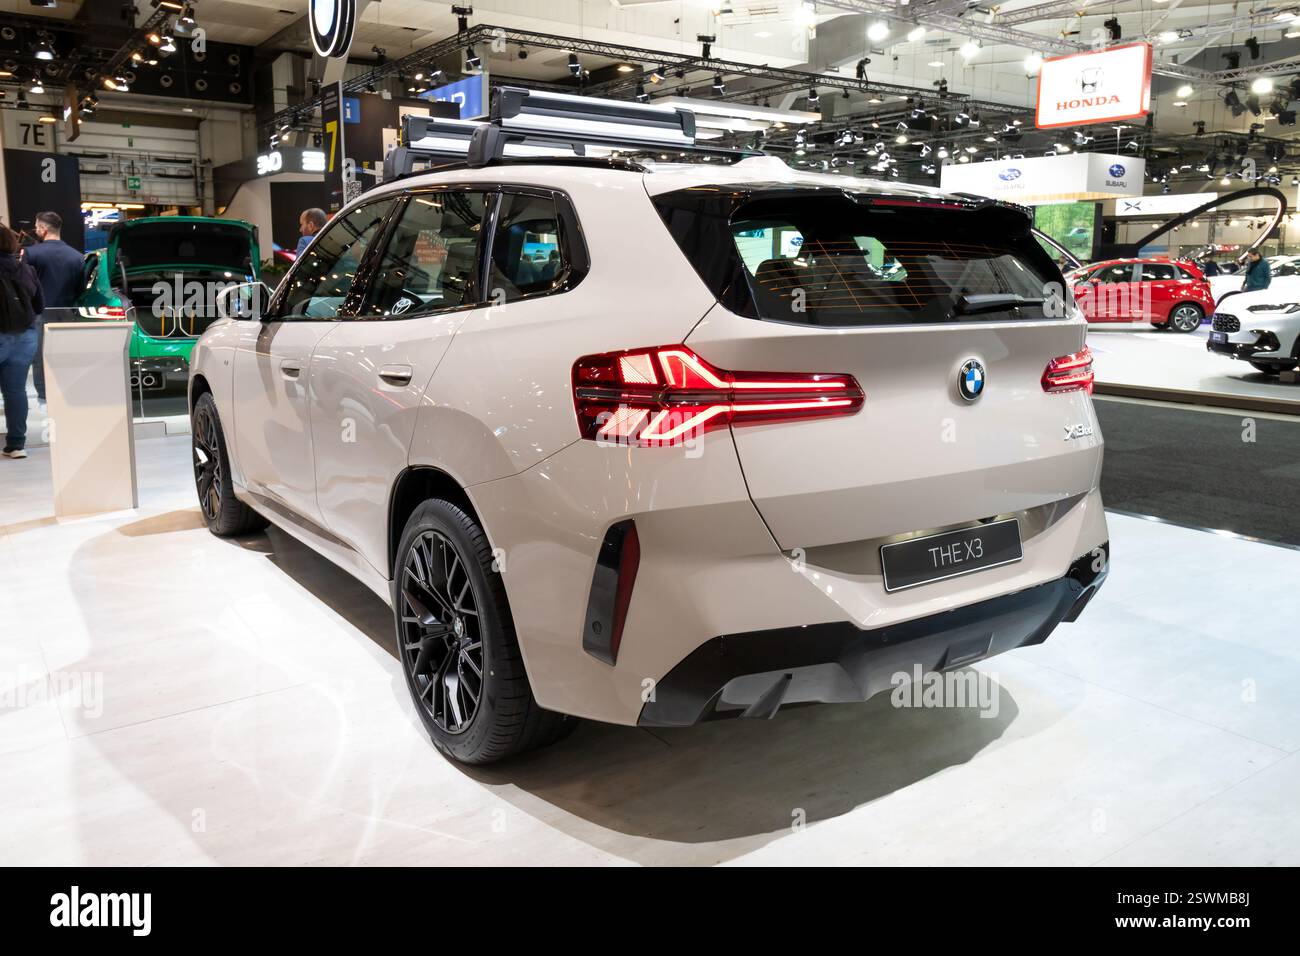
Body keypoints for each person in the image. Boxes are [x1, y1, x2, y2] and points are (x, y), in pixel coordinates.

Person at [24, 211, 85, 404]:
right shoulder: (77, 257)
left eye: (36, 227)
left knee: (41, 357)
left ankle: (44, 397)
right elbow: (81, 289)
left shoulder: (31, 253)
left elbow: (24, 286)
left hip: (39, 314)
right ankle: (67, 394)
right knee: (66, 356)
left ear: (43, 229)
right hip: (68, 314)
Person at [0, 224, 45, 459]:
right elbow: (39, 306)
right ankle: (16, 445)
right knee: (15, 391)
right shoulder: (26, 269)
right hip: (25, 337)